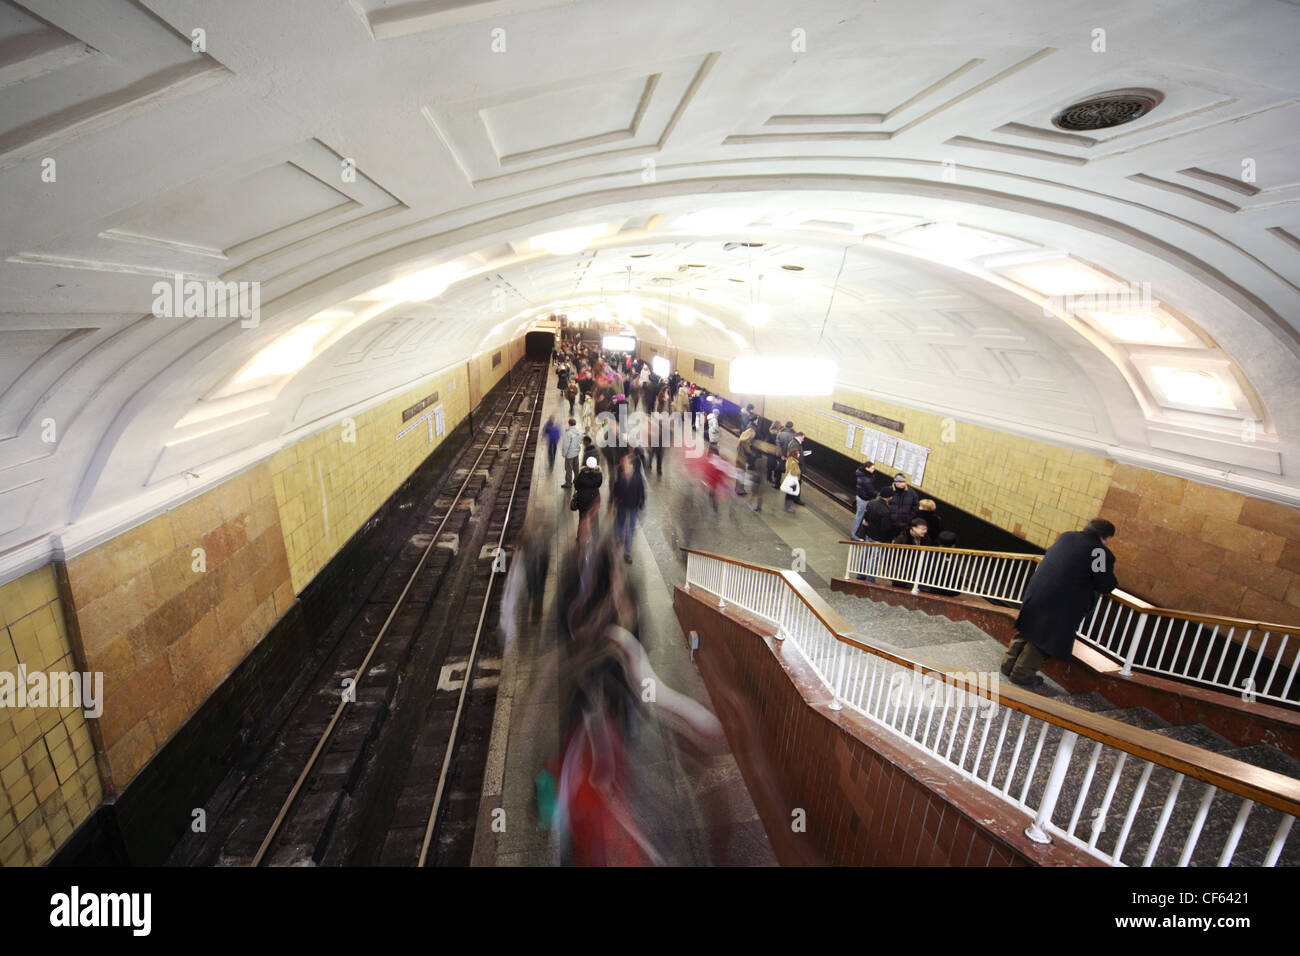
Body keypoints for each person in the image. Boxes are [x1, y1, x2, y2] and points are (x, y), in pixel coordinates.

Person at [1001, 518, 1118, 688]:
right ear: (1106, 537)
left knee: (1027, 627)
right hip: (1060, 603)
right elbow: (1104, 583)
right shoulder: (1099, 552)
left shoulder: (1067, 537)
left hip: (1037, 591)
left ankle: (1008, 664)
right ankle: (1022, 674)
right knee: (1043, 639)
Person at [612, 453, 647, 563]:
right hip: (622, 505)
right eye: (624, 465)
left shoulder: (637, 478)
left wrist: (641, 502)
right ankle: (621, 541)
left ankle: (627, 553)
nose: (625, 467)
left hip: (633, 506)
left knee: (631, 529)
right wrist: (613, 501)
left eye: (627, 465)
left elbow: (642, 491)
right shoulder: (620, 476)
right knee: (620, 525)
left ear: (632, 466)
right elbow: (615, 490)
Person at [573, 455, 604, 535]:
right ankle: (595, 536)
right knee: (594, 519)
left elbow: (576, 486)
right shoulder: (599, 475)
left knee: (582, 519)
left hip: (583, 500)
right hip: (594, 499)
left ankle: (580, 537)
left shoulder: (582, 475)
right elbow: (599, 484)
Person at [852, 461, 879, 540]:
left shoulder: (862, 474)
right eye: (872, 468)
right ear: (867, 468)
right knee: (860, 517)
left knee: (861, 516)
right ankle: (855, 534)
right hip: (864, 499)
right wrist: (876, 495)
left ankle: (859, 533)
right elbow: (870, 490)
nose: (874, 470)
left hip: (861, 497)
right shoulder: (866, 478)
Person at [561, 418, 583, 487]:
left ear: (569, 424)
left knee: (568, 469)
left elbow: (566, 445)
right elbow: (580, 441)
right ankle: (577, 480)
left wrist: (564, 454)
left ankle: (568, 483)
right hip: (576, 453)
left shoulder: (568, 433)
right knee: (576, 467)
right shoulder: (579, 432)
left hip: (570, 454)